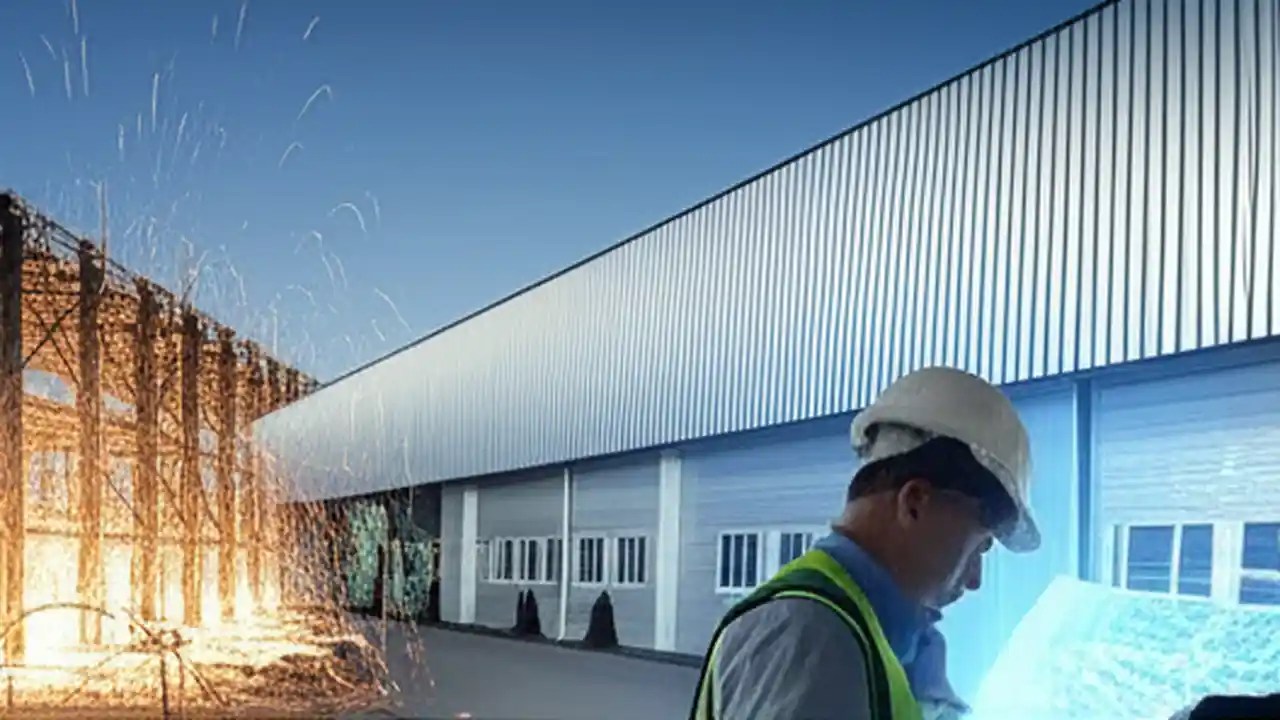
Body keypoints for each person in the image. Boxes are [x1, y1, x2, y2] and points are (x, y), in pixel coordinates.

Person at [689, 366, 1039, 720]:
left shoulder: (873, 637)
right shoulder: (812, 634)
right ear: (914, 503)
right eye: (978, 548)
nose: (975, 579)